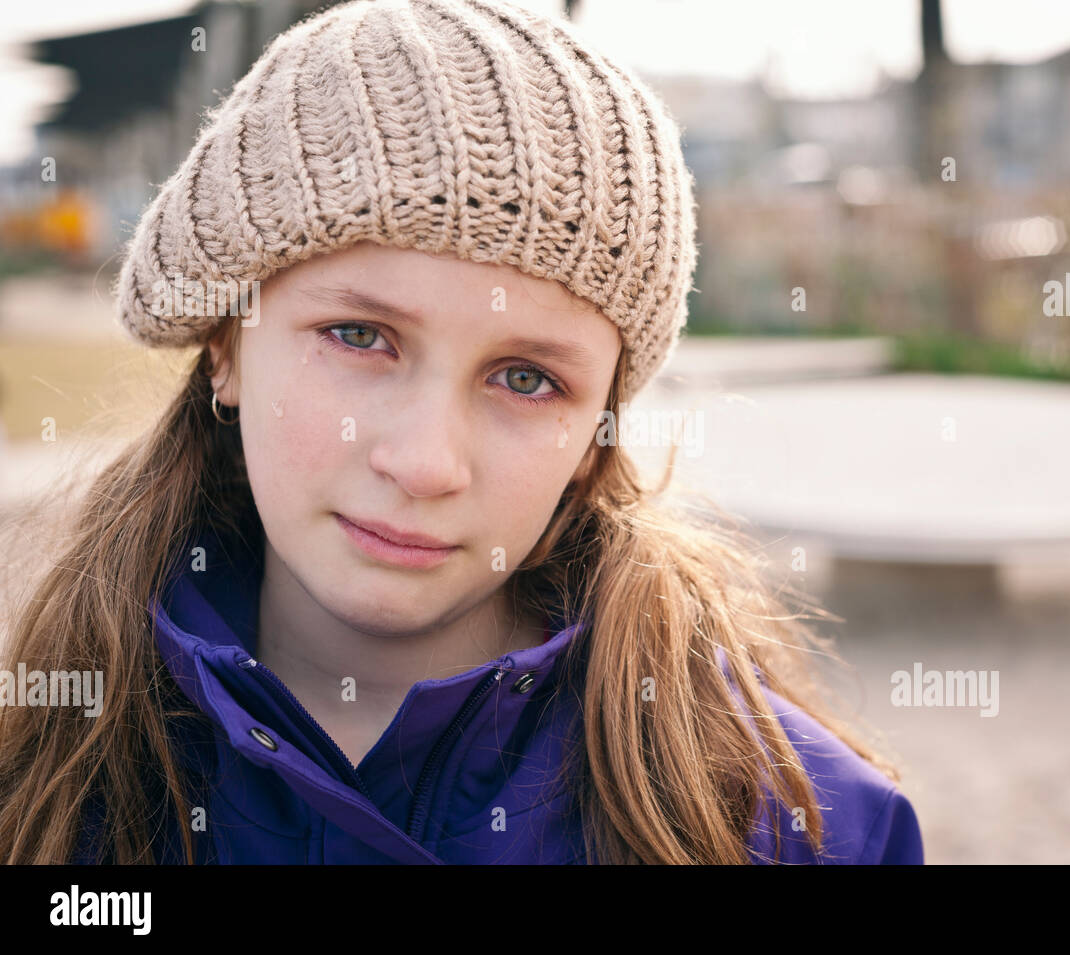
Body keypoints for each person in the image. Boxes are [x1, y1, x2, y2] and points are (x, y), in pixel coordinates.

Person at [0, 0, 923, 865]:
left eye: (527, 379)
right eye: (359, 336)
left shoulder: (801, 828)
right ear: (225, 350)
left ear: (598, 431)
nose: (425, 462)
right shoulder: (38, 781)